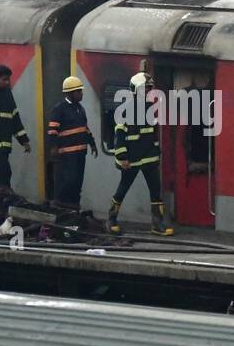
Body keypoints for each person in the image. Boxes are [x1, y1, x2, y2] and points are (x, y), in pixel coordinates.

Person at [108, 72, 172, 236]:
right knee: (122, 189)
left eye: (150, 89)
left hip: (150, 158)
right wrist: (122, 158)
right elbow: (120, 135)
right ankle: (111, 220)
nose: (149, 91)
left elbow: (153, 133)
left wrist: (157, 151)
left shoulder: (150, 108)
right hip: (132, 160)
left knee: (155, 191)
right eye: (146, 88)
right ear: (136, 90)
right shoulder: (125, 110)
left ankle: (157, 225)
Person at [46, 76, 97, 210]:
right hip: (66, 156)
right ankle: (62, 209)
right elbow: (52, 131)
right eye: (78, 91)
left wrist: (92, 143)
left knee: (77, 183)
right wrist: (53, 148)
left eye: (81, 91)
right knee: (67, 183)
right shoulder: (59, 109)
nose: (81, 94)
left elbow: (84, 128)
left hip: (80, 154)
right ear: (69, 93)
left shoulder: (80, 108)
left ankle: (74, 208)